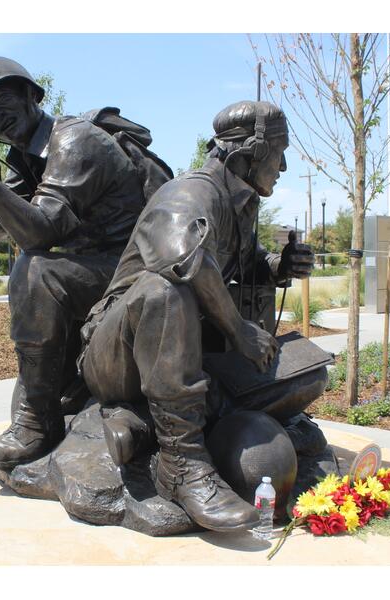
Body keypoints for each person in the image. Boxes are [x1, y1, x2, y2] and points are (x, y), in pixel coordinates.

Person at [78, 100, 315, 532]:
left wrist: (279, 267)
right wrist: (240, 331)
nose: (283, 166)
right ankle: (181, 462)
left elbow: (246, 263)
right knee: (165, 292)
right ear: (250, 152)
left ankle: (158, 424)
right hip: (117, 359)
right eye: (279, 152)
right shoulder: (188, 193)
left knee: (313, 371)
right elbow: (184, 261)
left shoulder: (240, 202)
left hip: (185, 358)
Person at [0, 56, 150, 469]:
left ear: (30, 94)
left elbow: (40, 232)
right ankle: (44, 408)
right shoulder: (25, 154)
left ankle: (38, 423)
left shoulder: (74, 140)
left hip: (127, 269)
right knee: (34, 265)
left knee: (36, 269)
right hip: (91, 267)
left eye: (0, 102)